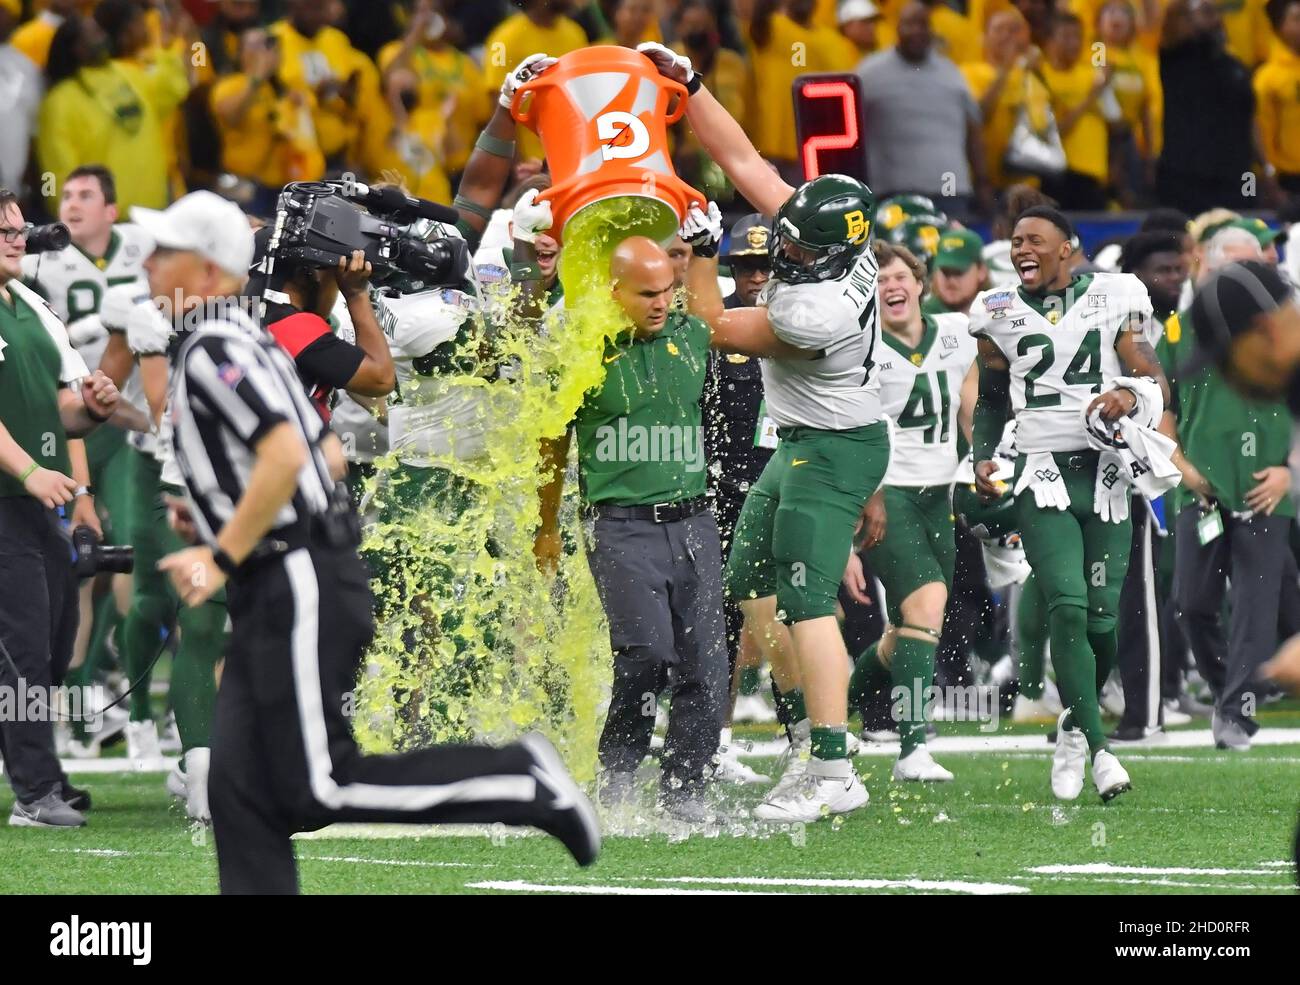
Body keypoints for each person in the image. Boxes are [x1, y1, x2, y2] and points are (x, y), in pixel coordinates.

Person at [135, 190, 598, 893]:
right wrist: (222, 514)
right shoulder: (247, 338)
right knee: (238, 795)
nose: (147, 264)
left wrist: (220, 550)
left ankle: (518, 778)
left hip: (297, 577)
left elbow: (290, 455)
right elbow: (327, 457)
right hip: (296, 571)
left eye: (165, 251)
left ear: (205, 271)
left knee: (315, 788)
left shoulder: (218, 343)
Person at [641, 40, 890, 823]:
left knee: (810, 600)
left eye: (797, 247)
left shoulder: (816, 311)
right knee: (750, 577)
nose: (782, 249)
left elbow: (711, 322)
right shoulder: (834, 243)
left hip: (832, 451)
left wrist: (705, 251)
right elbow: (747, 161)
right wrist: (693, 89)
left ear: (833, 252)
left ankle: (834, 765)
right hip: (799, 443)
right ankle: (803, 741)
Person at [525, 205, 730, 821]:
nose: (662, 303)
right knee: (646, 656)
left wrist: (706, 247)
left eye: (668, 289)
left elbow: (716, 308)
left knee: (706, 666)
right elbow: (551, 441)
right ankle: (616, 778)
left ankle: (685, 791)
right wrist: (546, 527)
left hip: (694, 520)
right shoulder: (584, 347)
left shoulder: (694, 332)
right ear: (614, 291)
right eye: (647, 293)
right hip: (620, 525)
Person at [970, 205, 1171, 803]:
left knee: (1103, 619)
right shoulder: (995, 310)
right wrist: (983, 454)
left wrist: (1125, 395)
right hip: (1041, 473)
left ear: (1070, 248)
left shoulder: (1117, 295)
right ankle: (1103, 750)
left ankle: (1074, 725)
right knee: (1068, 602)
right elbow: (989, 399)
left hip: (1105, 472)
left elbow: (1152, 378)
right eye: (1014, 240)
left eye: (1035, 239)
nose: (1021, 248)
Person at [21, 165, 155, 762]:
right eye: (65, 194)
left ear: (112, 208)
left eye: (84, 195)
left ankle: (137, 711)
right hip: (63, 422)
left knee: (126, 563)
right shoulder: (37, 262)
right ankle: (66, 714)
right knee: (74, 570)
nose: (70, 205)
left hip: (122, 420)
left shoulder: (146, 248)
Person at [0, 187, 121, 828]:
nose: (19, 238)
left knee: (51, 642)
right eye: (4, 231)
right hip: (11, 495)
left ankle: (33, 771)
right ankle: (35, 791)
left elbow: (63, 410)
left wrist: (94, 407)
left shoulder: (31, 304)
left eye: (20, 227)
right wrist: (29, 469)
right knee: (20, 646)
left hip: (29, 502)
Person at [845, 241, 978, 782]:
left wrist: (986, 463)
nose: (890, 286)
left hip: (939, 494)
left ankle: (818, 721)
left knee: (906, 630)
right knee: (925, 606)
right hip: (889, 494)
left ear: (919, 283)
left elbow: (969, 405)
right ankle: (912, 746)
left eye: (898, 275)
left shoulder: (956, 333)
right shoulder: (860, 348)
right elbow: (852, 430)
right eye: (878, 279)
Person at [1160, 255, 1296, 750]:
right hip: (1202, 491)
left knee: (1255, 607)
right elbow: (1162, 406)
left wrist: (1289, 473)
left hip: (1267, 491)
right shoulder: (1177, 330)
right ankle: (1228, 694)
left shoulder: (1287, 343)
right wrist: (1183, 467)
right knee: (1191, 604)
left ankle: (1239, 711)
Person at [706, 214, 780, 751]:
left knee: (795, 612)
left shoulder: (804, 320)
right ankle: (720, 735)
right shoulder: (713, 322)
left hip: (788, 485)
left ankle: (808, 734)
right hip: (722, 489)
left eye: (766, 265)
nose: (756, 277)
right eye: (746, 266)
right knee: (720, 621)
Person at [855, 1, 992, 218]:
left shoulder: (951, 71)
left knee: (952, 250)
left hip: (950, 192)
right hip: (892, 192)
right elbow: (850, 129)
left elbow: (972, 128)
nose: (917, 31)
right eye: (910, 24)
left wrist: (983, 181)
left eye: (923, 24)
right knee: (897, 252)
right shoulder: (869, 73)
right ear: (897, 28)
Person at [1256, 0, 1300, 207]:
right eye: (1297, 19)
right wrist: (1268, 174)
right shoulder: (1268, 77)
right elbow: (1262, 129)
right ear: (1279, 27)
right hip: (1288, 178)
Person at [925, 227, 987, 315]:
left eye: (958, 272)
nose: (951, 281)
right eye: (945, 272)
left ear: (981, 271)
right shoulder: (923, 318)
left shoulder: (996, 311)